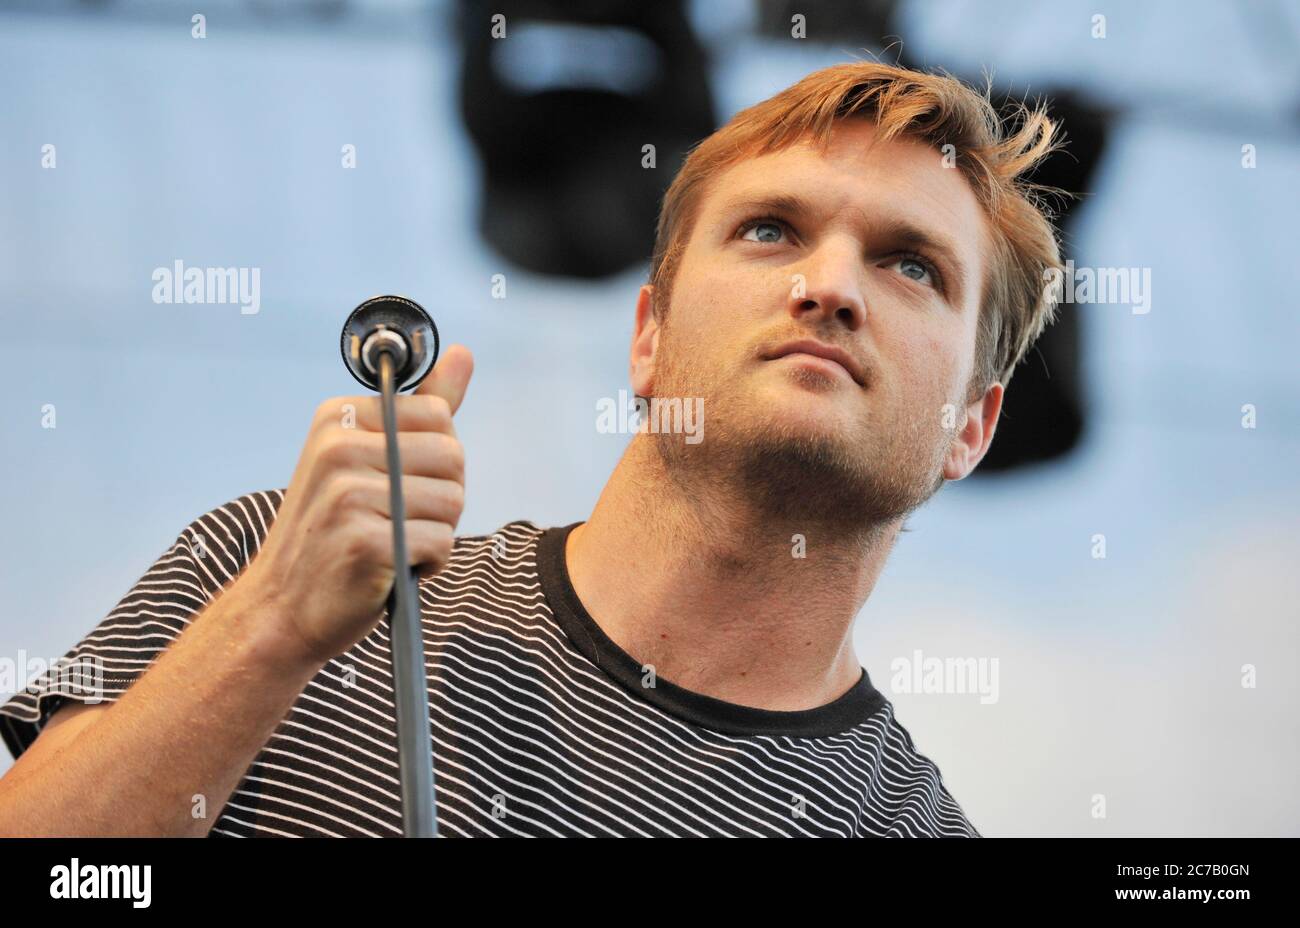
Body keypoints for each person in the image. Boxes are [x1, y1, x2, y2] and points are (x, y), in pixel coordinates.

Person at [0, 60, 1064, 837]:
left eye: (912, 266)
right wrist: (272, 626)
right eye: (769, 230)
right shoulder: (262, 564)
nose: (826, 285)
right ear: (647, 334)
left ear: (970, 426)